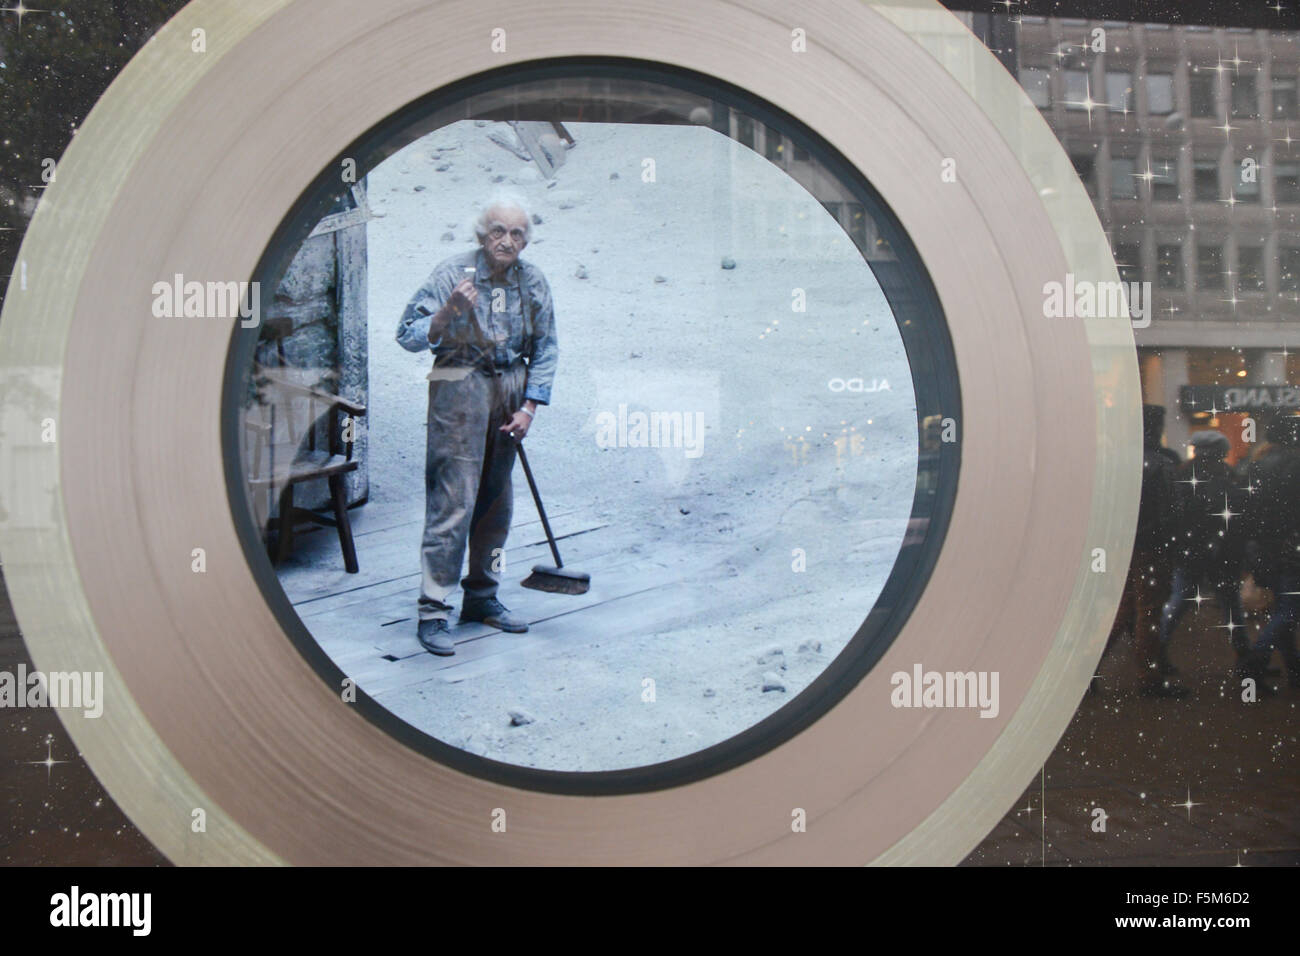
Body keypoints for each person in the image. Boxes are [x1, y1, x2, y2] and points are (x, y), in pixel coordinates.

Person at [395, 196, 559, 656]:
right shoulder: (452, 274)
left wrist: (529, 406)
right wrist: (446, 314)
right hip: (459, 386)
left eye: (517, 233)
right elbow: (406, 336)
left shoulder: (533, 281)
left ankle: (482, 597)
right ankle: (433, 611)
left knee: (496, 503)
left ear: (526, 239)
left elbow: (547, 347)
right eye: (497, 231)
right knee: (453, 500)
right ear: (481, 234)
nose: (506, 241)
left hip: (509, 390)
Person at [1102, 405, 1187, 697]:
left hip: (1123, 546)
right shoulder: (1160, 464)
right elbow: (1174, 511)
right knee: (1148, 612)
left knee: (1125, 609)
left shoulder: (1115, 463)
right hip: (1153, 547)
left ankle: (1084, 672)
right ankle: (1147, 678)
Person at [1157, 430, 1249, 674]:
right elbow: (1232, 516)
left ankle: (1156, 653)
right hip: (1219, 553)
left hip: (1191, 551)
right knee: (1231, 607)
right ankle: (1245, 661)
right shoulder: (1224, 476)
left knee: (1178, 603)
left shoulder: (1183, 474)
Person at [1240, 416, 1300, 688]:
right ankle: (1254, 661)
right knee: (1288, 609)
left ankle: (1293, 667)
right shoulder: (1294, 465)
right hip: (1288, 547)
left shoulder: (1255, 466)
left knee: (1282, 606)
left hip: (1260, 547)